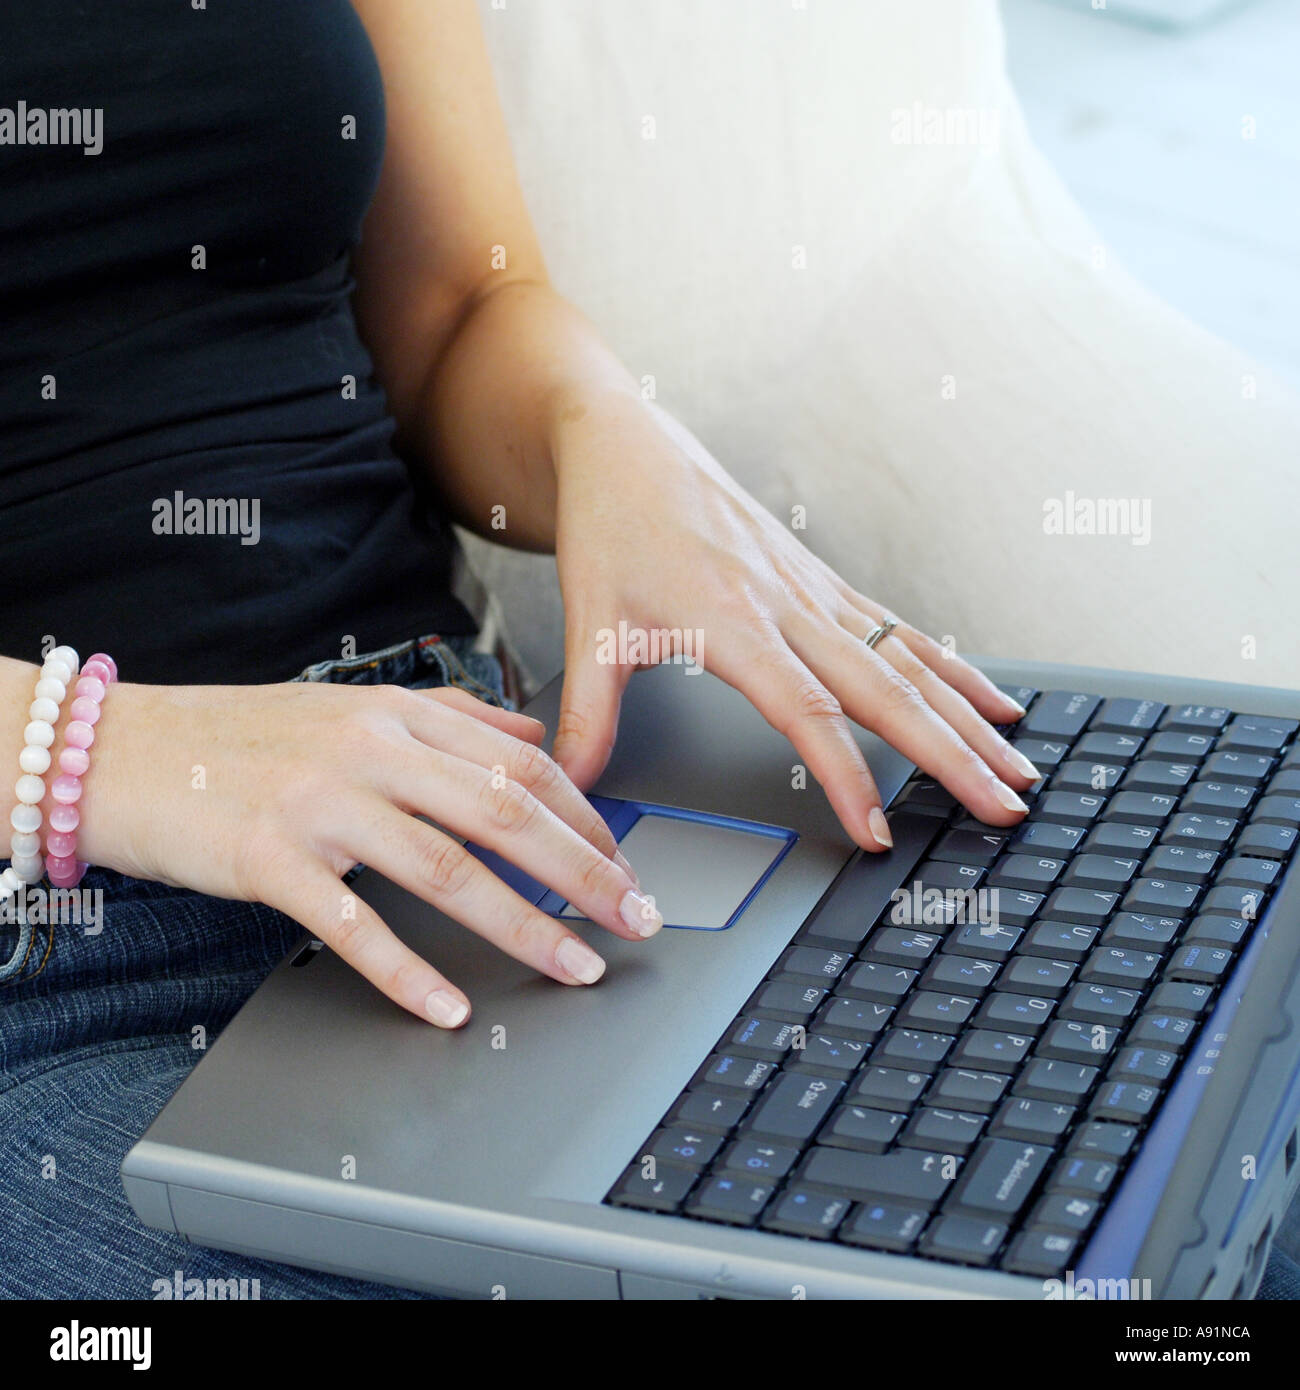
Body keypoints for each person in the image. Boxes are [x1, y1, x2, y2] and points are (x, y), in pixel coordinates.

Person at [0, 0, 1282, 1300]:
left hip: (499, 805)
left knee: (1157, 1155)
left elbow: (458, 311)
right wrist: (107, 749)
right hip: (66, 951)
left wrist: (597, 430)